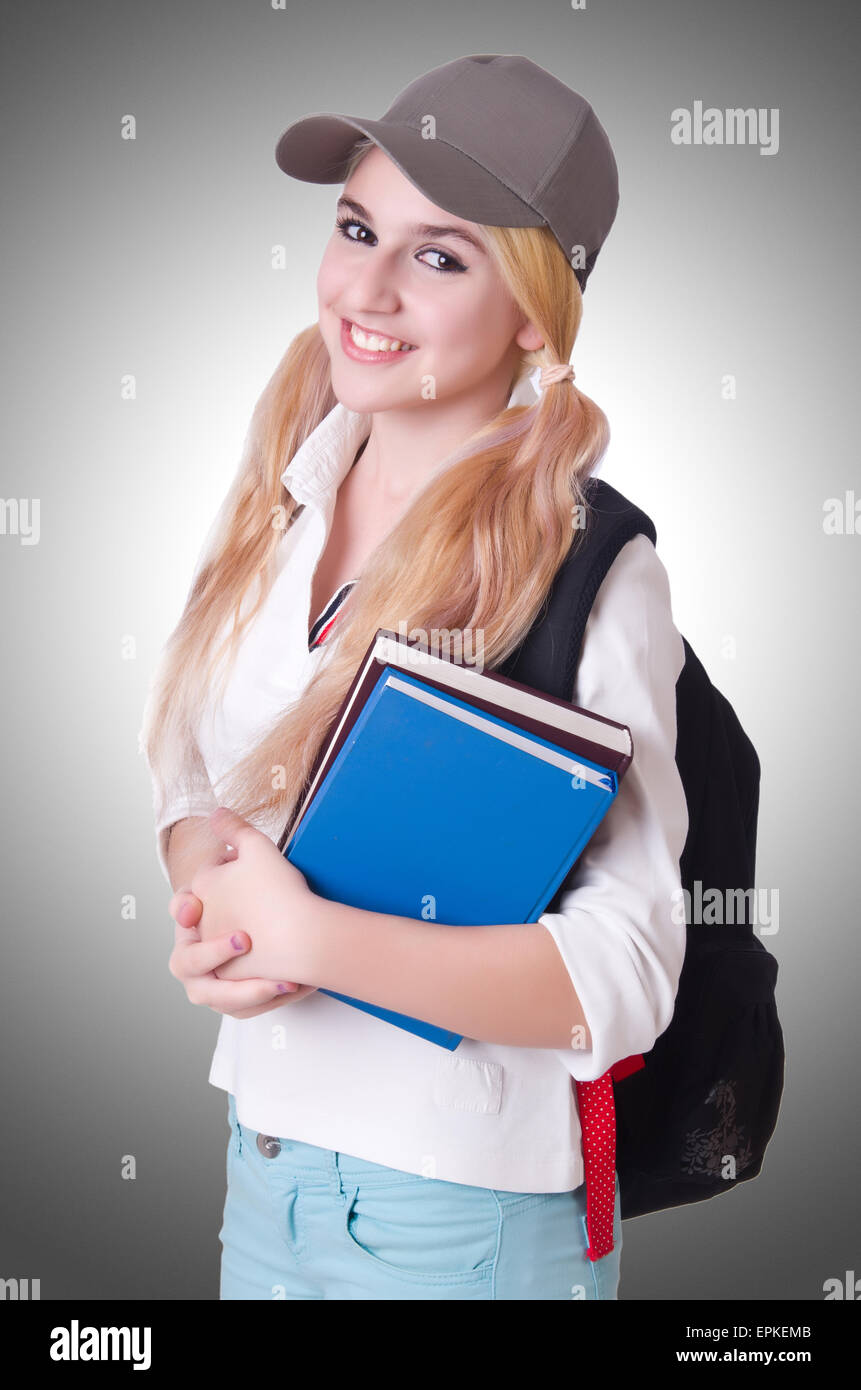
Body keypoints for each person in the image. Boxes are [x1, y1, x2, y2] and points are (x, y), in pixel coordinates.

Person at [140, 54, 689, 1301]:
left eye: (439, 256)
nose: (365, 289)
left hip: (464, 1222)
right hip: (260, 1171)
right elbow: (189, 778)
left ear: (536, 312)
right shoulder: (284, 499)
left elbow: (629, 972)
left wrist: (316, 939)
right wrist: (215, 903)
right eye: (355, 229)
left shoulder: (595, 562)